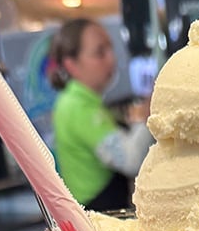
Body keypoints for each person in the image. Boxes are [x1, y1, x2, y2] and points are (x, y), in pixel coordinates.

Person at [48, 18, 152, 211]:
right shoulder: (77, 107)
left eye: (110, 49)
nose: (112, 59)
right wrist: (145, 116)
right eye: (99, 52)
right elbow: (131, 160)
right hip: (98, 218)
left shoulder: (79, 102)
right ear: (71, 64)